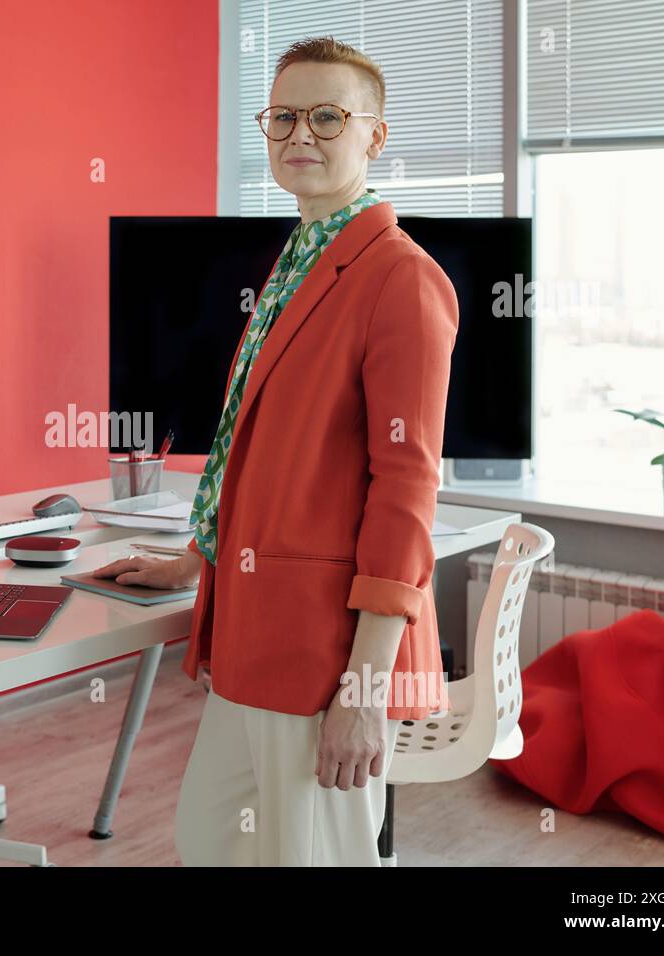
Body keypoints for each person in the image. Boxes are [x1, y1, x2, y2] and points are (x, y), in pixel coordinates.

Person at [94, 35, 459, 866]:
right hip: (257, 632)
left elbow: (406, 488)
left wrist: (366, 684)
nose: (302, 132)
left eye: (329, 116)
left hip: (323, 651)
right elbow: (255, 449)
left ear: (375, 135)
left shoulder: (399, 276)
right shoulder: (301, 258)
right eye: (285, 115)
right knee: (214, 838)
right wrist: (197, 556)